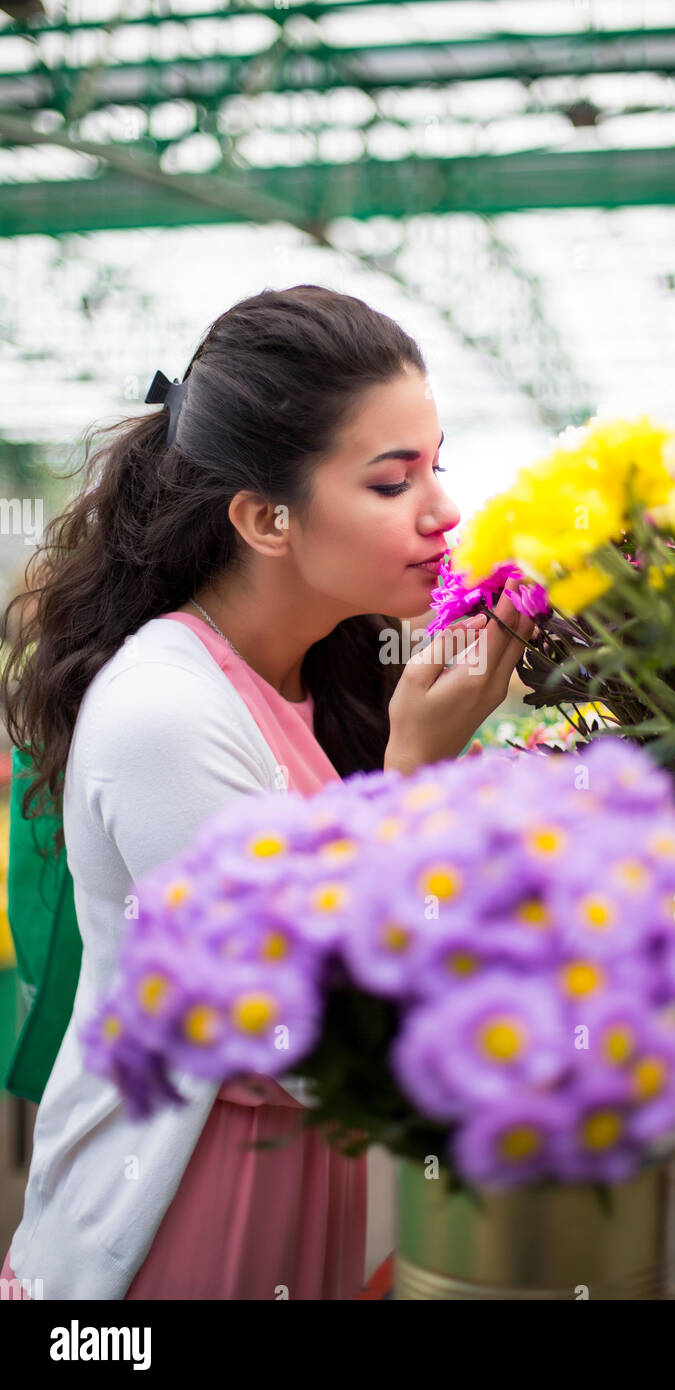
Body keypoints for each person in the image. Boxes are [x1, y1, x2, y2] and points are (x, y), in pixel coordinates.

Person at [0, 285, 535, 1300]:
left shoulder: (316, 674)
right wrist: (418, 771)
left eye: (437, 465)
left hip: (321, 1230)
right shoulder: (167, 711)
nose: (444, 510)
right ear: (264, 519)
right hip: (182, 1248)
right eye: (391, 482)